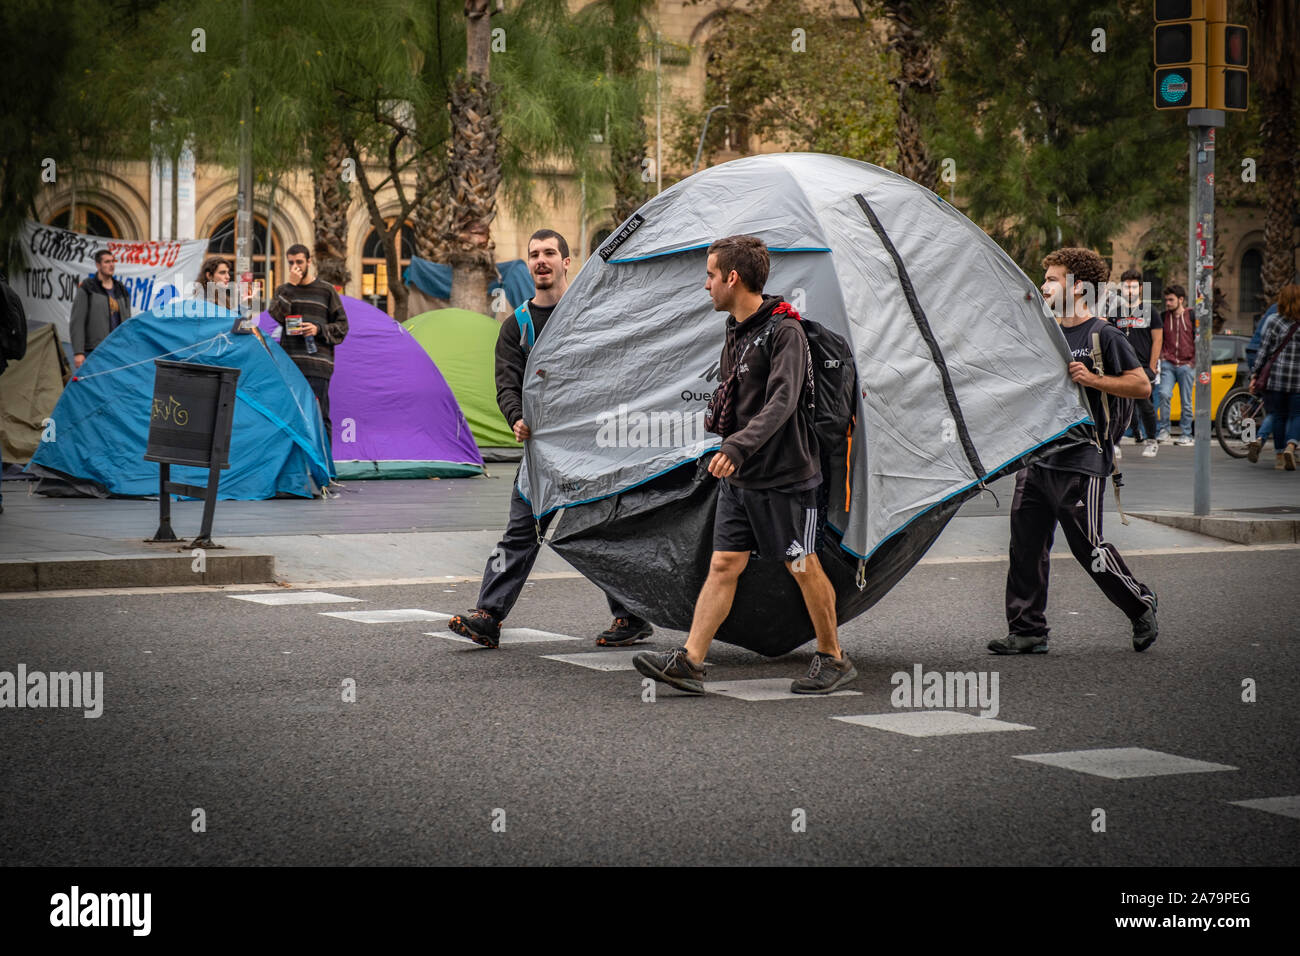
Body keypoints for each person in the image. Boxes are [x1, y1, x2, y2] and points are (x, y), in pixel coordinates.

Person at [632, 235, 856, 695]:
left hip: (786, 477)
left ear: (732, 277)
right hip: (744, 478)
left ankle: (833, 657)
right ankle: (691, 661)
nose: (706, 284)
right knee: (723, 565)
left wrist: (737, 448)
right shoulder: (737, 328)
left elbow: (783, 401)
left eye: (711, 275)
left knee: (801, 564)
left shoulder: (785, 330)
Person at [446, 229, 655, 650]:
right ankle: (488, 615)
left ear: (567, 262)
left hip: (594, 451)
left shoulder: (591, 317)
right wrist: (516, 418)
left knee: (604, 530)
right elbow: (507, 385)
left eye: (549, 253)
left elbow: (619, 373)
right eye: (534, 255)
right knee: (520, 533)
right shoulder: (515, 327)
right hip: (541, 453)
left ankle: (630, 617)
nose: (541, 261)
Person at [991, 247, 1159, 655]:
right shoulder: (1044, 333)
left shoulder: (1104, 335)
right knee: (1026, 545)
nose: (1044, 284)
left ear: (1078, 287)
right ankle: (1027, 629)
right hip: (1037, 458)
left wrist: (1093, 379)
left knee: (1089, 546)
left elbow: (1141, 386)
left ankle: (1139, 604)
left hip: (1083, 457)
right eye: (1045, 276)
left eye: (1052, 278)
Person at [267, 243, 349, 455]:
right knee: (291, 416)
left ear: (309, 262)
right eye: (291, 263)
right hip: (290, 365)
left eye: (300, 262)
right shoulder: (284, 290)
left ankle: (324, 471)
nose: (296, 266)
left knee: (319, 416)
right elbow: (276, 315)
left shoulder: (326, 291)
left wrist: (318, 329)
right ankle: (295, 473)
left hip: (317, 366)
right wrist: (291, 288)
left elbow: (342, 327)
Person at [1107, 268, 1162, 458]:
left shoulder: (1150, 311)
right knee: (1118, 405)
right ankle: (1115, 442)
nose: (1129, 291)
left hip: (1143, 366)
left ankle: (1152, 441)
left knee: (1145, 405)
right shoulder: (1116, 312)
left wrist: (1153, 367)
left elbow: (1157, 339)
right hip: (1121, 366)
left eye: (1133, 287)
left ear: (1140, 288)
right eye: (1126, 287)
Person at [1248, 284, 1300, 471]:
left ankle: (1279, 455)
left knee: (1278, 415)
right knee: (1296, 415)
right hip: (1298, 379)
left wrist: (1255, 374)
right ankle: (1291, 446)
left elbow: (1264, 351)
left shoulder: (1273, 320)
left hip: (1276, 378)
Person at [69, 250, 132, 369]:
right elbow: (77, 321)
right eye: (107, 262)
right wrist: (78, 352)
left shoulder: (121, 289)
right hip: (94, 351)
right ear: (98, 265)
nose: (111, 265)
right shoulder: (88, 287)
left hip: (117, 350)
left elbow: (128, 321)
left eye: (113, 261)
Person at [1156, 283, 1195, 445]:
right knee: (1164, 394)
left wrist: (1193, 362)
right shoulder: (1163, 316)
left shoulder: (1192, 316)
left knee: (1186, 401)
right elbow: (1158, 339)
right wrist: (1161, 359)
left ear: (1181, 299)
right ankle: (1164, 430)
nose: (1168, 303)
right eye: (1166, 300)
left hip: (1187, 364)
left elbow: (1200, 340)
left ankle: (1187, 434)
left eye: (1171, 300)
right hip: (1168, 364)